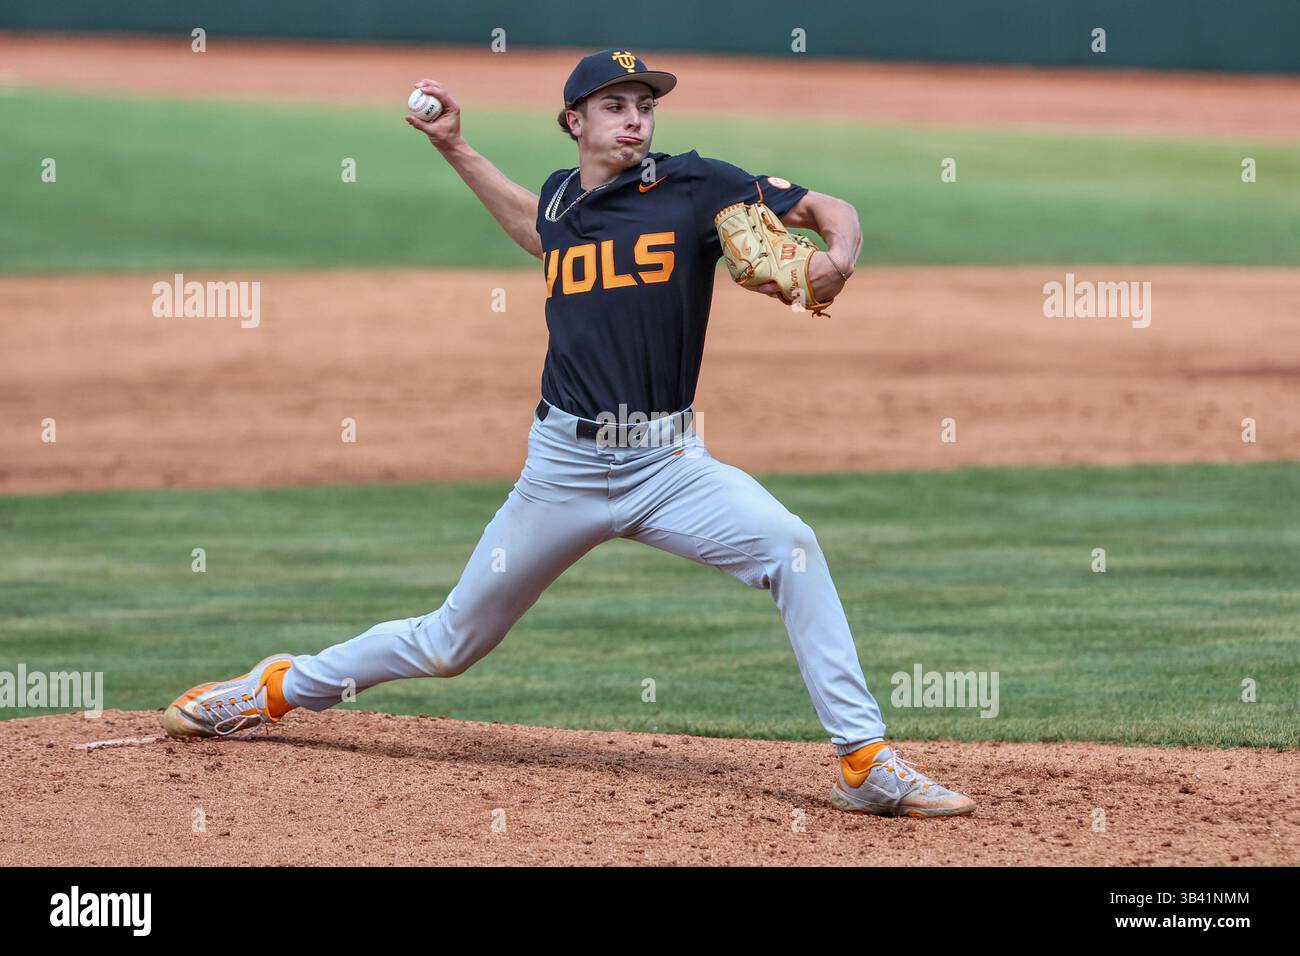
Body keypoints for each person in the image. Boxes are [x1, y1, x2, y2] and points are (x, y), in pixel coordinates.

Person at [162, 49, 975, 818]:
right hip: (562, 471)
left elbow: (823, 207)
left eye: (644, 107)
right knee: (452, 643)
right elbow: (537, 229)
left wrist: (840, 254)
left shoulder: (701, 185)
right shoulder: (561, 198)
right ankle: (272, 689)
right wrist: (454, 146)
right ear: (574, 122)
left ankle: (865, 763)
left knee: (791, 548)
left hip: (671, 467)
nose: (634, 120)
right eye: (614, 107)